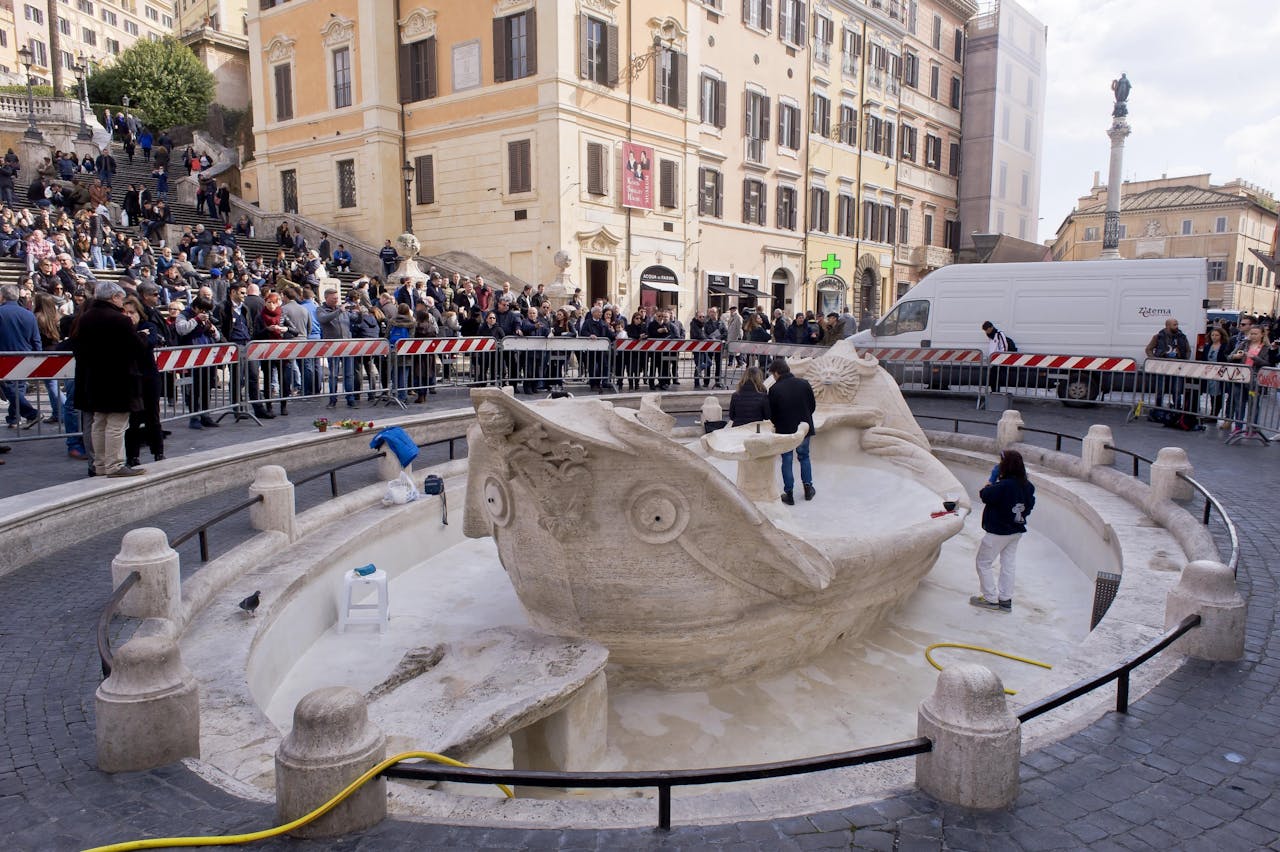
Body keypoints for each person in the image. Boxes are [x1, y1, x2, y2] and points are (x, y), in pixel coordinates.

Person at [70, 282, 148, 477]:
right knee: (116, 423)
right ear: (114, 297)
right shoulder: (120, 320)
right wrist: (143, 338)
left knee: (99, 421)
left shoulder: (86, 318)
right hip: (119, 378)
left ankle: (100, 464)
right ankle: (114, 465)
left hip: (94, 377)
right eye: (120, 298)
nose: (122, 302)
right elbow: (136, 347)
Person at [971, 450, 1036, 613]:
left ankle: (990, 598)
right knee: (1008, 564)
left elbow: (985, 495)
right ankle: (1005, 600)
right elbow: (1030, 505)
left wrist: (991, 480)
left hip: (998, 532)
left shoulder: (1003, 486)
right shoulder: (1028, 486)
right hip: (1016, 531)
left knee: (983, 562)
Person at [121, 296, 165, 467]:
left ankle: (158, 452)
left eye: (132, 312)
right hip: (130, 379)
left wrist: (138, 336)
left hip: (148, 377)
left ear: (139, 313)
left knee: (152, 416)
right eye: (124, 313)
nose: (128, 316)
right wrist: (138, 336)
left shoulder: (149, 326)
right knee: (132, 420)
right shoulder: (122, 330)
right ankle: (132, 456)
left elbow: (149, 343)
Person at [767, 358, 816, 505]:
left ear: (776, 373)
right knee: (804, 456)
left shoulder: (775, 389)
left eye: (773, 375)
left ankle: (789, 493)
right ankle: (808, 488)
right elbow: (812, 406)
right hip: (804, 427)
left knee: (787, 460)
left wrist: (778, 424)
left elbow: (771, 413)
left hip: (784, 430)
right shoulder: (804, 383)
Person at [0, 284, 42, 430]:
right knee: (18, 388)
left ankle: (31, 414)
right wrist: (38, 355)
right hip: (25, 355)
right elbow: (35, 338)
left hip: (5, 356)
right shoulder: (28, 314)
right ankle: (13, 418)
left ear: (2, 296)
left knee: (10, 389)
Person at [1144, 317, 1190, 411]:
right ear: (1168, 325)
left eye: (1177, 324)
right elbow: (1148, 349)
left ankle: (1177, 409)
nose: (1177, 326)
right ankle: (1158, 408)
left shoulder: (1182, 336)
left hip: (1177, 367)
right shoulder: (1158, 336)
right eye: (1174, 324)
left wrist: (1184, 359)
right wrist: (1154, 360)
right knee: (1160, 389)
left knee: (1177, 390)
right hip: (1162, 367)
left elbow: (1188, 350)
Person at [981, 320, 1011, 392]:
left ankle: (996, 392)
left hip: (999, 360)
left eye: (987, 330)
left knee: (997, 378)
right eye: (985, 331)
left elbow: (1004, 347)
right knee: (992, 378)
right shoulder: (990, 336)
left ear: (991, 327)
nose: (986, 332)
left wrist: (1001, 358)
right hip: (993, 361)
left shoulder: (999, 334)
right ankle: (994, 392)